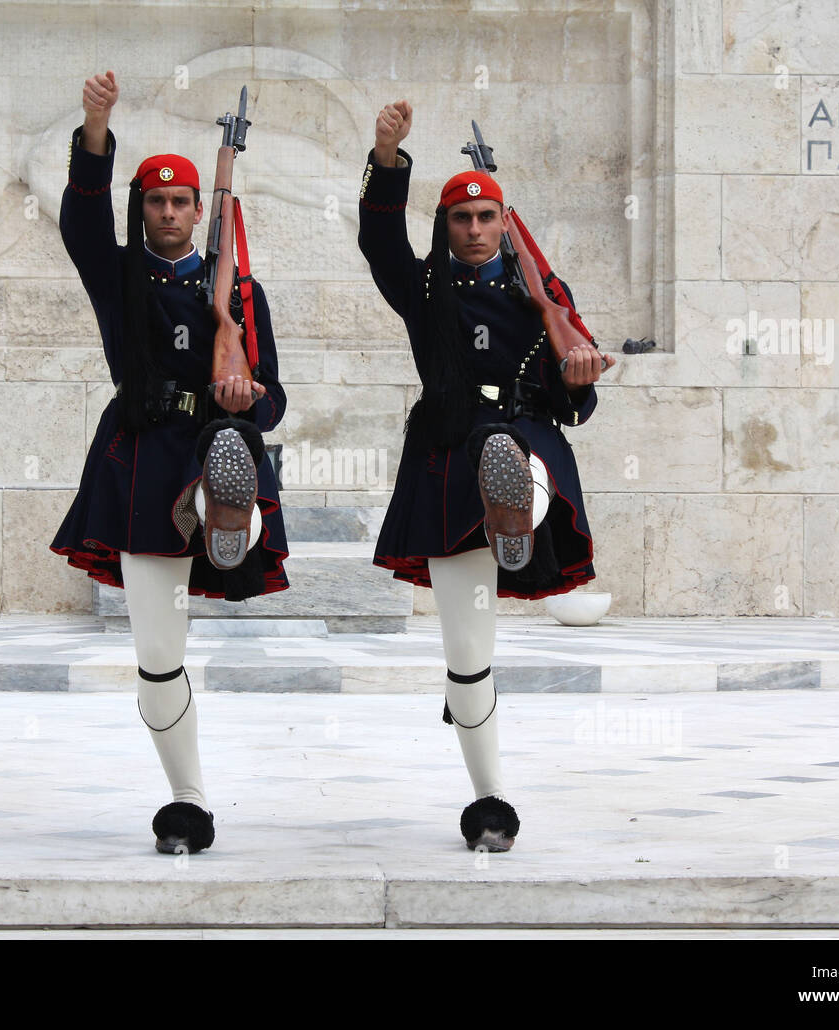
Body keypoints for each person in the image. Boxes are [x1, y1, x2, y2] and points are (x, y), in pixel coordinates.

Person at [358, 99, 608, 852]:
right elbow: (378, 241)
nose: (472, 229)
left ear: (504, 224)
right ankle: (489, 798)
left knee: (516, 456)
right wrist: (387, 159)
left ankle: (516, 505)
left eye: (486, 218)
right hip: (447, 449)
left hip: (525, 435)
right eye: (460, 219)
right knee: (468, 655)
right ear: (448, 226)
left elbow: (578, 401)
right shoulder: (425, 289)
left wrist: (582, 369)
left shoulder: (545, 297)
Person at [50, 71, 289, 855]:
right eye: (154, 201)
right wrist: (95, 132)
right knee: (158, 654)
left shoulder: (239, 292)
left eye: (181, 201)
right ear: (142, 209)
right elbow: (82, 222)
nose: (168, 212)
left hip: (216, 442)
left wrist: (244, 390)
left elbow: (275, 400)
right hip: (144, 456)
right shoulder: (118, 276)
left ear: (197, 209)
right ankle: (187, 800)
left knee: (234, 448)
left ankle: (231, 515)